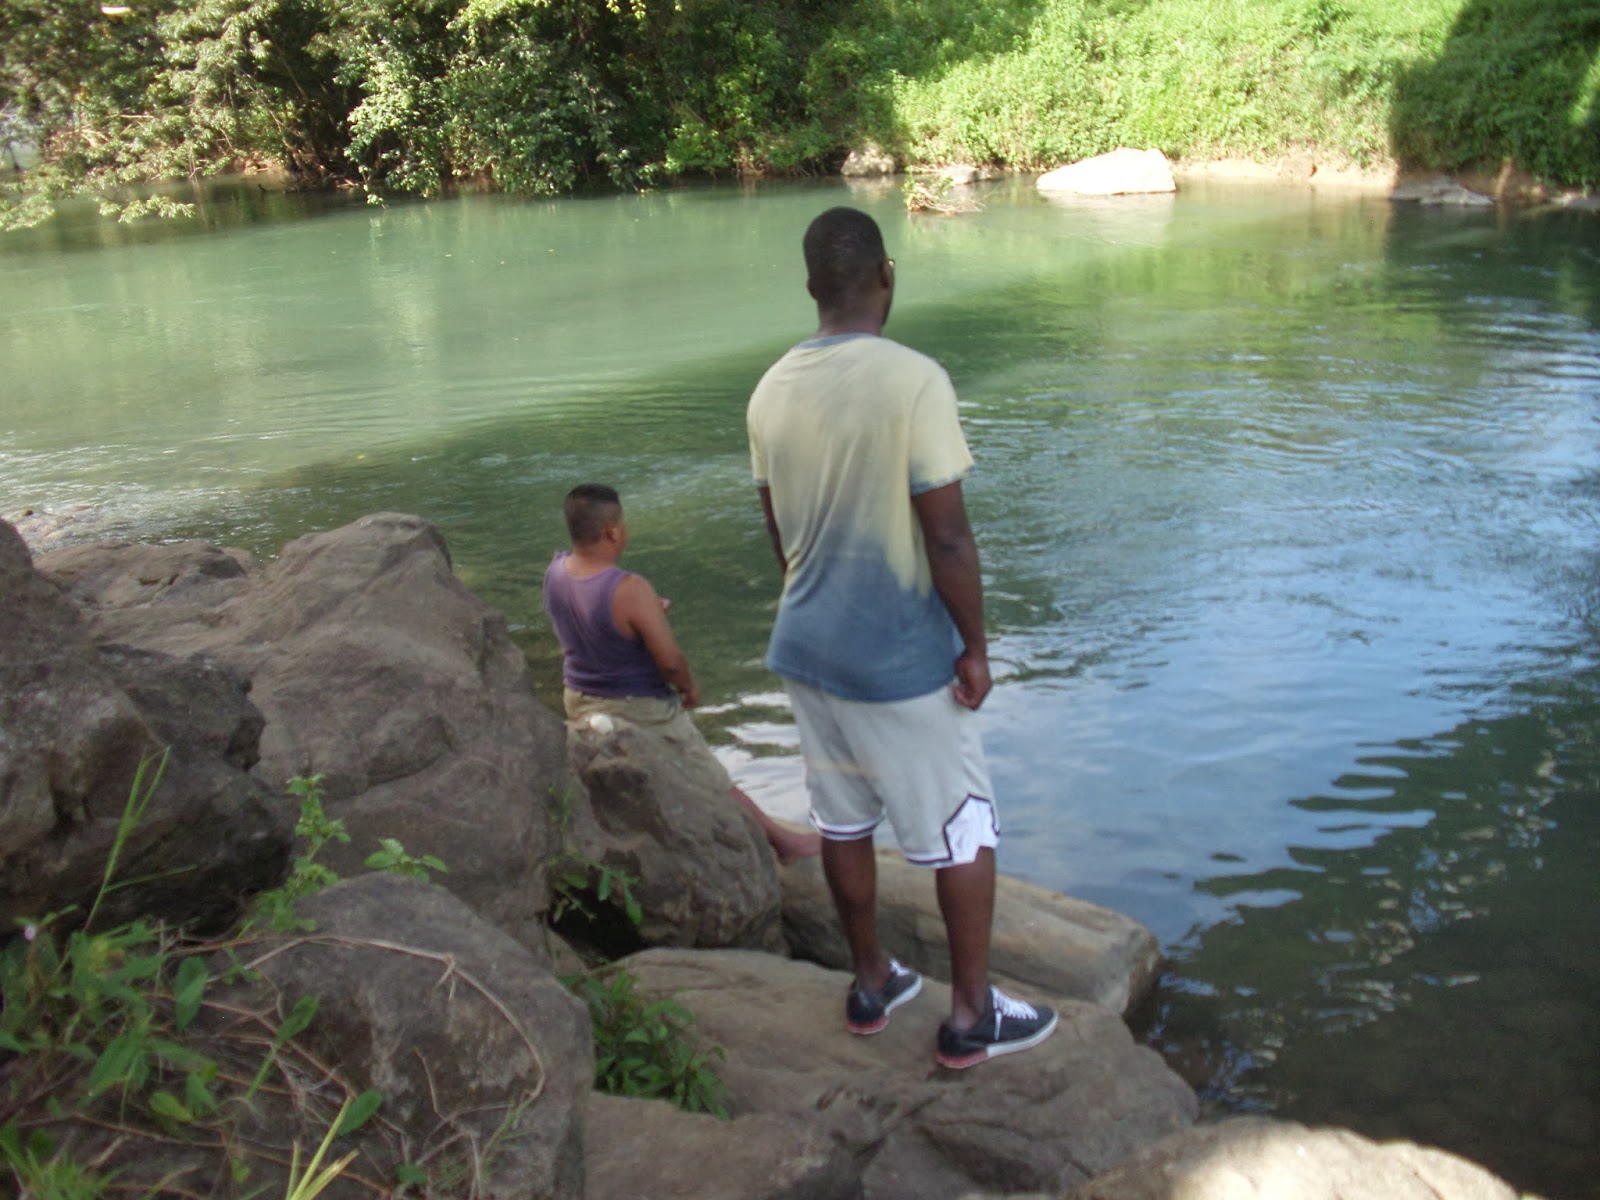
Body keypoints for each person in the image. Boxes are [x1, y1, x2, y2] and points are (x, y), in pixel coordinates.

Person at [745, 206, 1057, 1068]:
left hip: (805, 647)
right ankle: (969, 1017)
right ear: (887, 275)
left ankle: (873, 979)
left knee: (842, 824)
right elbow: (948, 535)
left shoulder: (769, 388)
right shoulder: (914, 379)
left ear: (811, 288)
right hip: (896, 658)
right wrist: (977, 646)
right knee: (963, 827)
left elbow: (781, 533)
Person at [542, 483, 821, 866]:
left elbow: (590, 624)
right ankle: (782, 841)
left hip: (579, 698)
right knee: (707, 771)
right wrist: (688, 687)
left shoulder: (555, 571)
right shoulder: (629, 587)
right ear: (613, 532)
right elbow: (670, 662)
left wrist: (647, 615)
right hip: (636, 707)